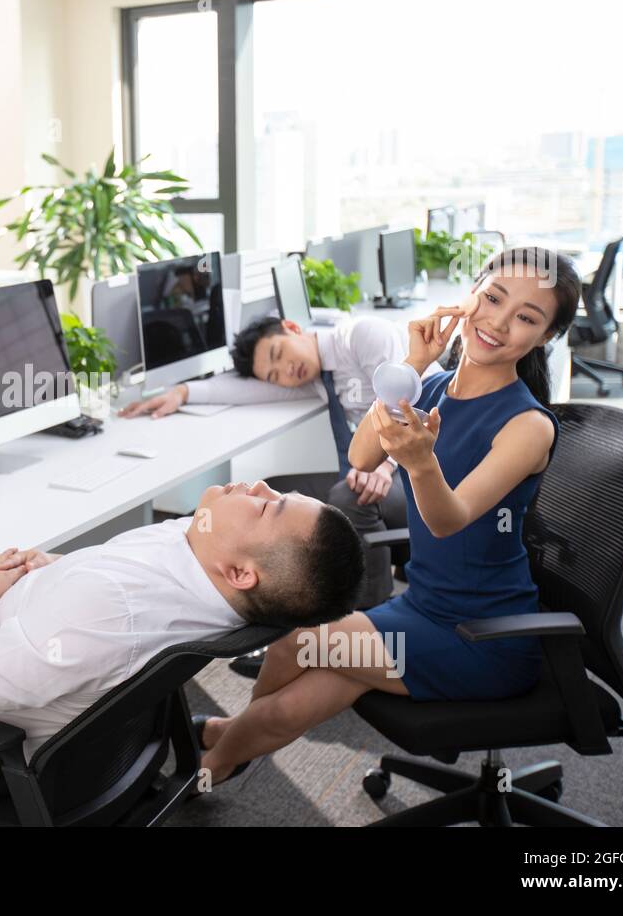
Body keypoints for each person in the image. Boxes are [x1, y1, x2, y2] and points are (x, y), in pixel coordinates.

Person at [193, 248, 581, 789]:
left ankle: (212, 766)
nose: (497, 321)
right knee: (290, 685)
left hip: (483, 637)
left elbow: (451, 519)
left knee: (298, 643)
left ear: (544, 338)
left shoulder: (527, 425)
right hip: (422, 608)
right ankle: (236, 738)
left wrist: (421, 463)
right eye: (492, 298)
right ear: (471, 295)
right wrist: (415, 363)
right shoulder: (433, 386)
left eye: (526, 317)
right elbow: (360, 458)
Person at [0, 481, 365, 800]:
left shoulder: (111, 604)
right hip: (78, 728)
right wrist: (57, 571)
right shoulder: (201, 555)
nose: (257, 486)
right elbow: (114, 584)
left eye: (266, 507)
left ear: (239, 572)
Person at [121, 313, 433, 609]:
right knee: (266, 492)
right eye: (274, 375)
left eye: (278, 353)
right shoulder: (315, 377)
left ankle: (370, 612)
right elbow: (244, 390)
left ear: (292, 328)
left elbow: (404, 401)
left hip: (430, 467)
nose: (285, 371)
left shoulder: (361, 335)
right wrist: (183, 392)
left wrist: (385, 465)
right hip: (378, 468)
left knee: (349, 495)